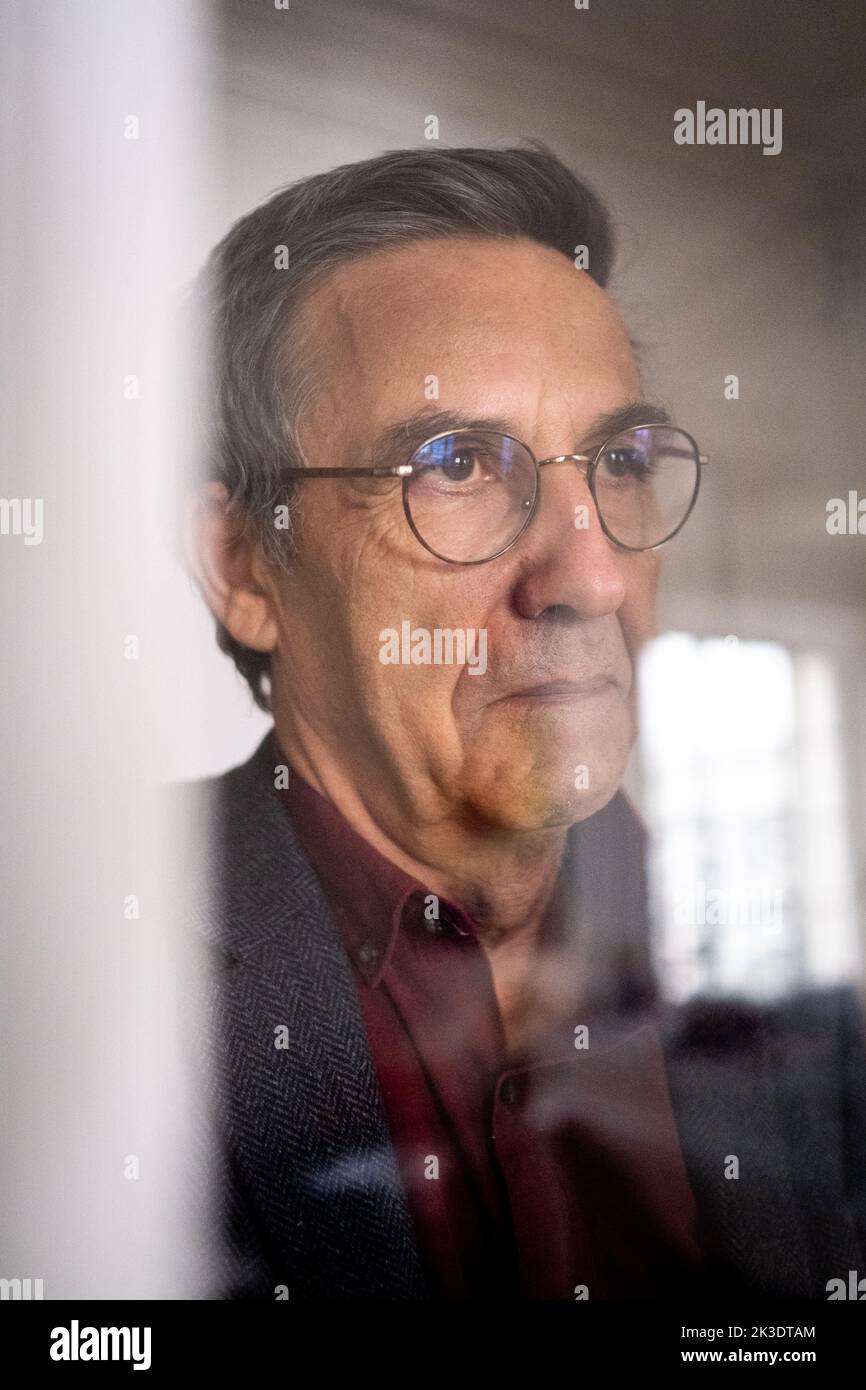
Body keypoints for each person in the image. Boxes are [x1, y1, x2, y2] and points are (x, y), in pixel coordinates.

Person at [180, 144, 866, 1299]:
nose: (591, 574)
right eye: (454, 464)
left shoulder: (769, 962)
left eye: (620, 458)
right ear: (247, 563)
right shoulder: (69, 973)